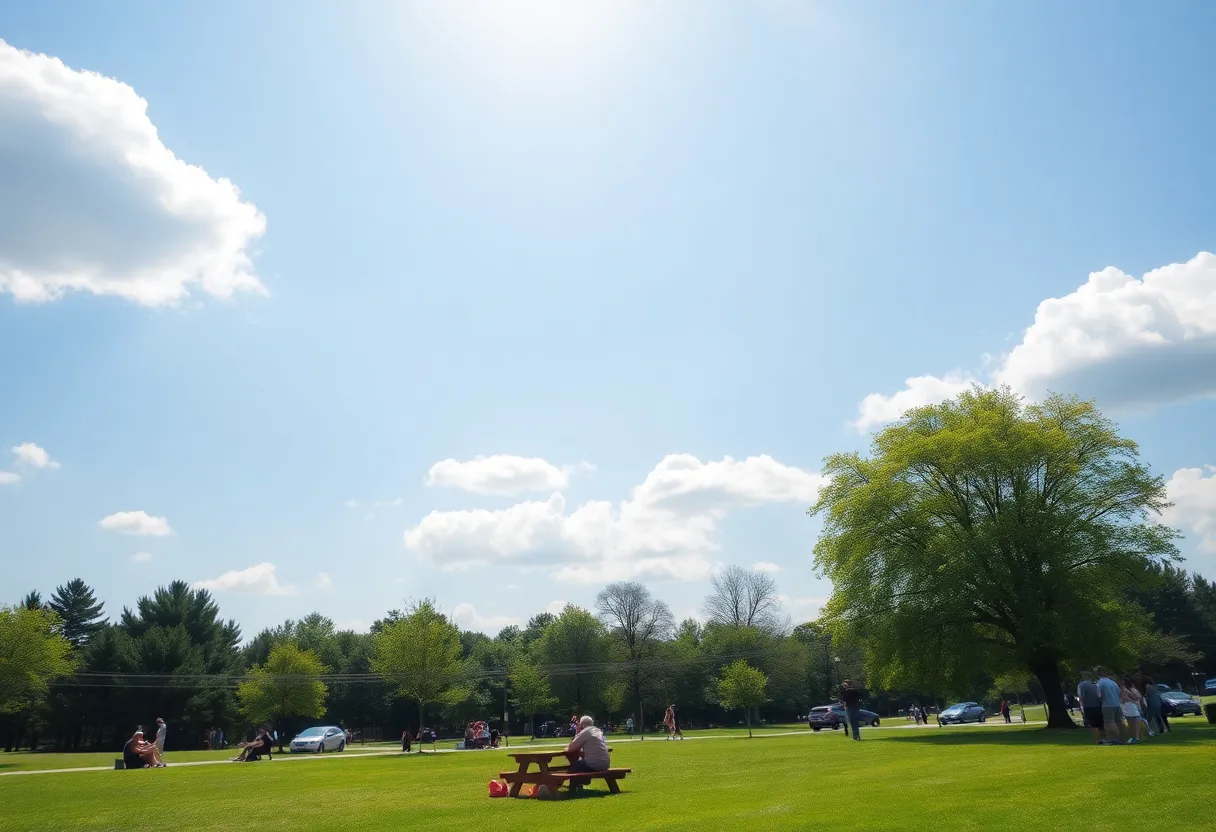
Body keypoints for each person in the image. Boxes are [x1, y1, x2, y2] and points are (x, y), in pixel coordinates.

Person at [1096, 668, 1124, 744]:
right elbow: (1119, 693)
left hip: (1107, 705)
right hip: (1117, 704)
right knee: (1118, 721)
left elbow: (1099, 695)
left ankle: (1116, 738)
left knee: (1110, 722)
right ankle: (1119, 737)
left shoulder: (1100, 683)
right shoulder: (1113, 683)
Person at [1077, 672, 1103, 744]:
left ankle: (1098, 740)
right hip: (1099, 705)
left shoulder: (1081, 685)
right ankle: (1106, 737)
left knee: (1094, 724)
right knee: (1101, 723)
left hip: (1089, 706)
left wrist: (1081, 707)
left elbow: (1081, 698)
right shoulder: (1096, 683)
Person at [1121, 676, 1145, 743]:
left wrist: (1130, 698)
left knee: (1133, 723)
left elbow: (1137, 697)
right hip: (1131, 707)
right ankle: (1136, 737)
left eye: (1123, 683)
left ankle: (1135, 737)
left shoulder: (1128, 690)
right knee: (1134, 723)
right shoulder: (1133, 690)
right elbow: (1139, 697)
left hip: (1132, 708)